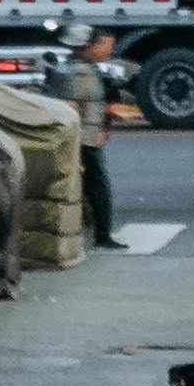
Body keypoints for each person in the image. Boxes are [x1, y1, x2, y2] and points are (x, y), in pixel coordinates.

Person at [62, 21, 121, 247]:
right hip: (85, 139)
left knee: (88, 185)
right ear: (87, 46)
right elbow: (74, 106)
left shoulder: (79, 68)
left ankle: (96, 232)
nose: (107, 50)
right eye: (102, 45)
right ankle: (102, 236)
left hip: (84, 136)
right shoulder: (81, 71)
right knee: (98, 187)